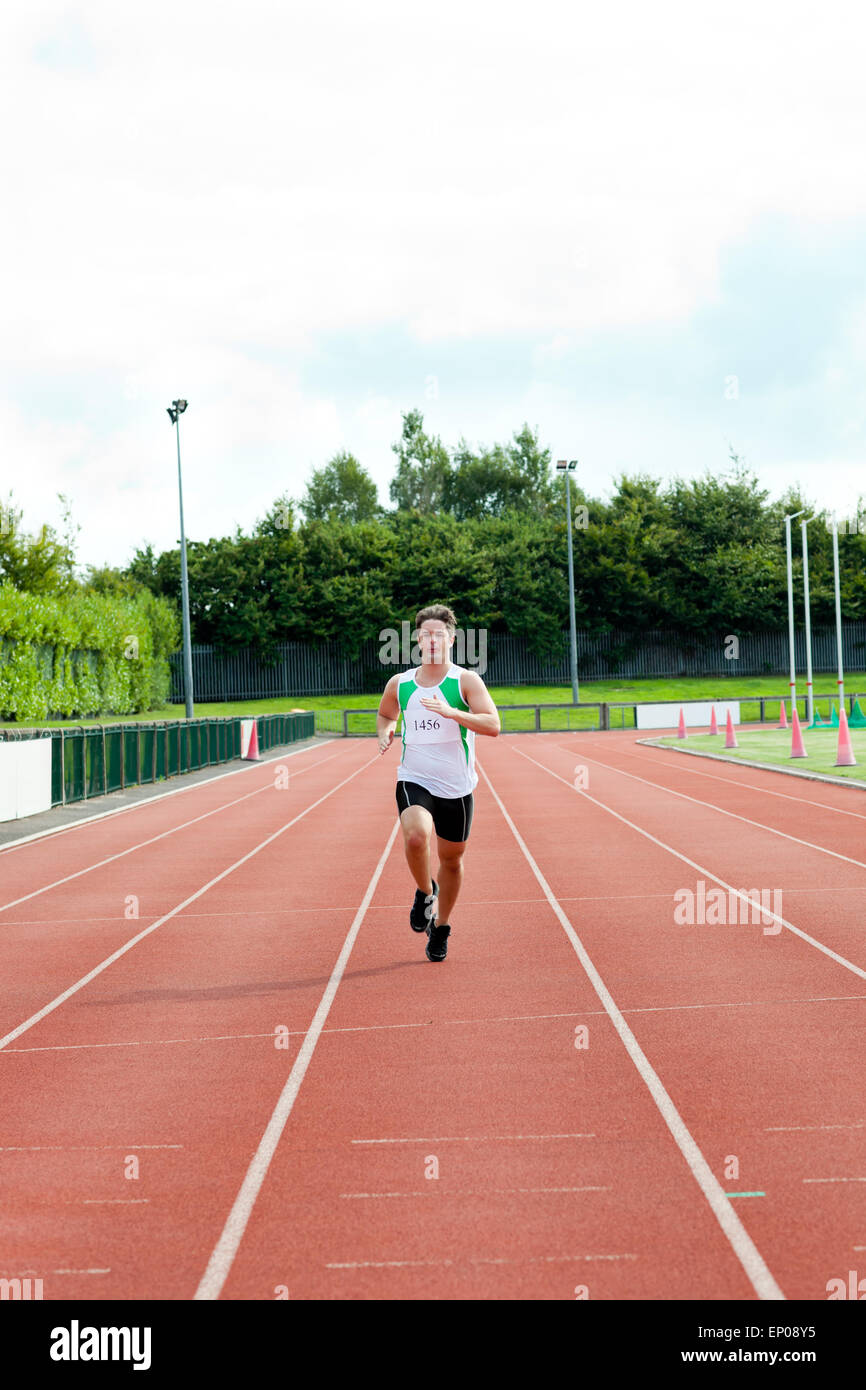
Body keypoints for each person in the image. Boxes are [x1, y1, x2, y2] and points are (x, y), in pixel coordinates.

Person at [376, 605, 500, 961]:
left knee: (452, 860)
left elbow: (493, 725)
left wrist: (453, 713)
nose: (432, 640)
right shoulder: (400, 684)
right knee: (415, 835)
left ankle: (441, 926)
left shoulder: (465, 681)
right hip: (414, 777)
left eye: (439, 634)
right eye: (426, 634)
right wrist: (386, 731)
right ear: (417, 639)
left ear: (452, 639)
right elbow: (386, 713)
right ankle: (423, 889)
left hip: (456, 786)